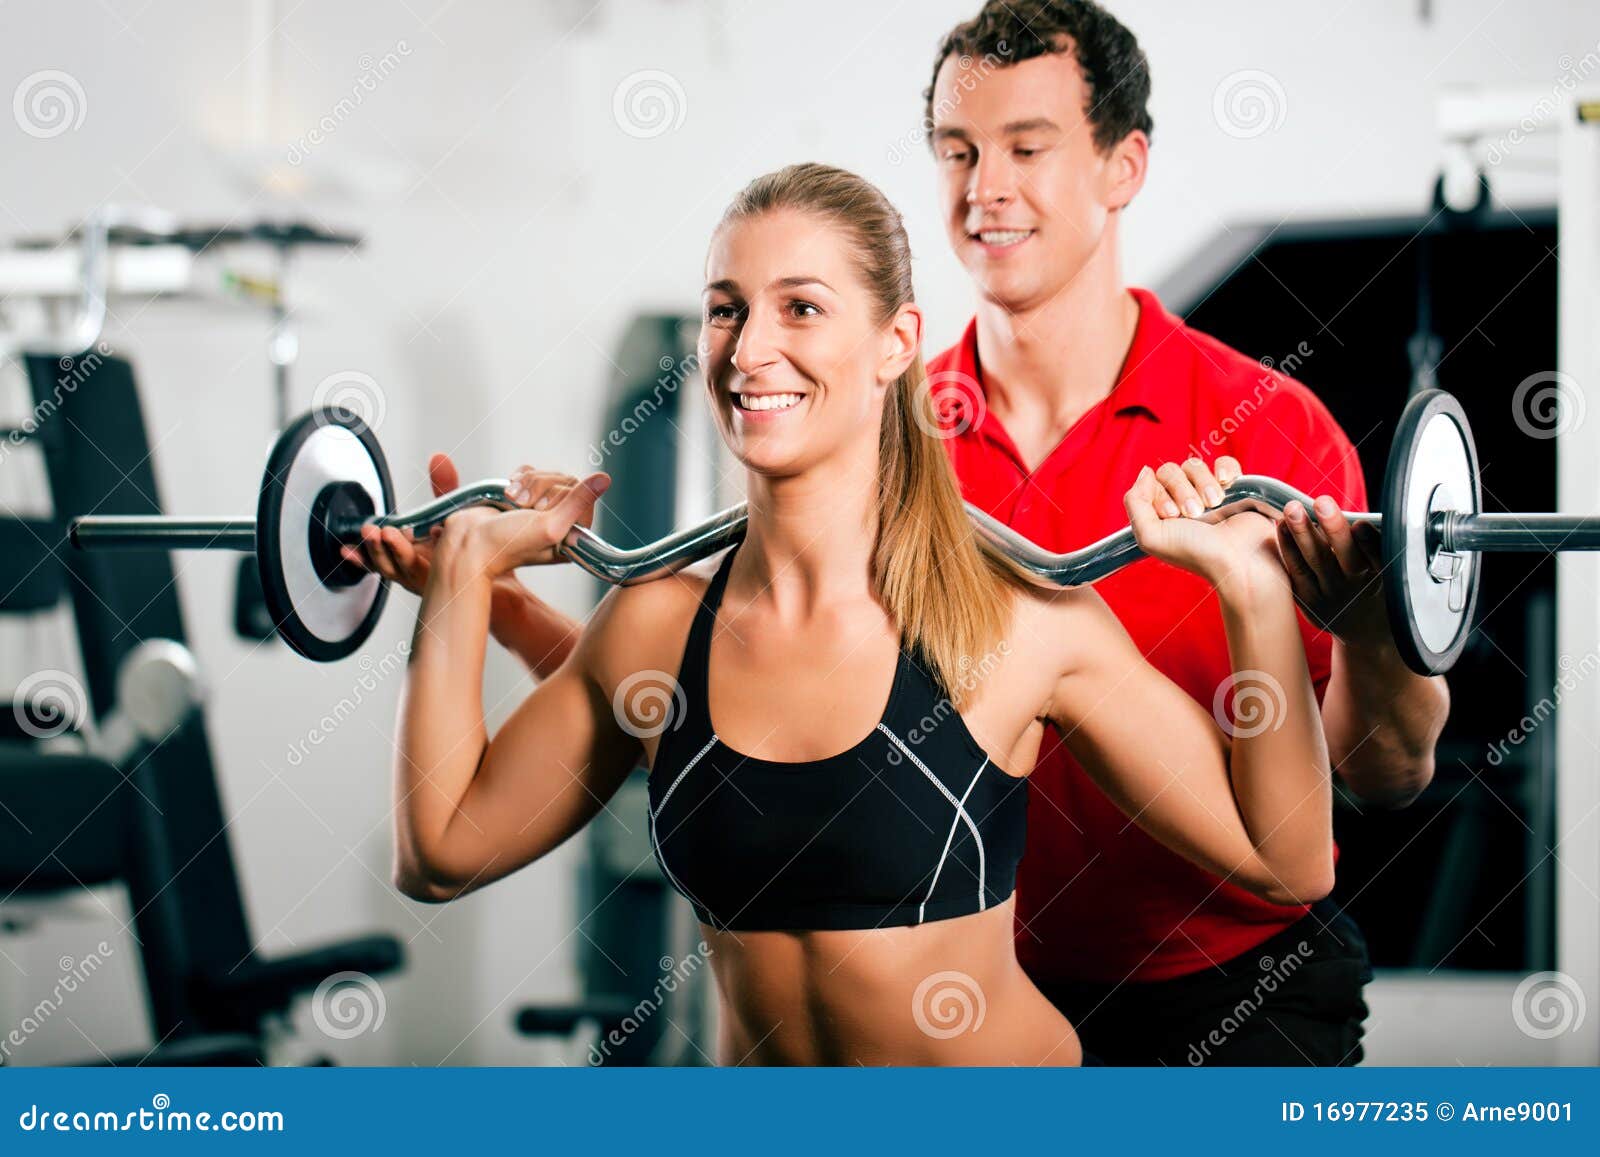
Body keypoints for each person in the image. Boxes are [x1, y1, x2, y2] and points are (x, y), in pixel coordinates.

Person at [379, 162, 1333, 1066]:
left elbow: (1287, 863)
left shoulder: (1016, 619)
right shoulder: (655, 627)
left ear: (896, 342)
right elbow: (442, 851)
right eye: (726, 310)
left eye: (801, 307)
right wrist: (468, 582)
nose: (750, 351)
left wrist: (1251, 590)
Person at [913, 0, 1450, 1064]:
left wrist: (1373, 634)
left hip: (1237, 993)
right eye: (958, 151)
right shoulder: (894, 450)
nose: (986, 190)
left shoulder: (1268, 429)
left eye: (1029, 148)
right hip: (969, 998)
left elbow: (1385, 775)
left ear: (1123, 166)